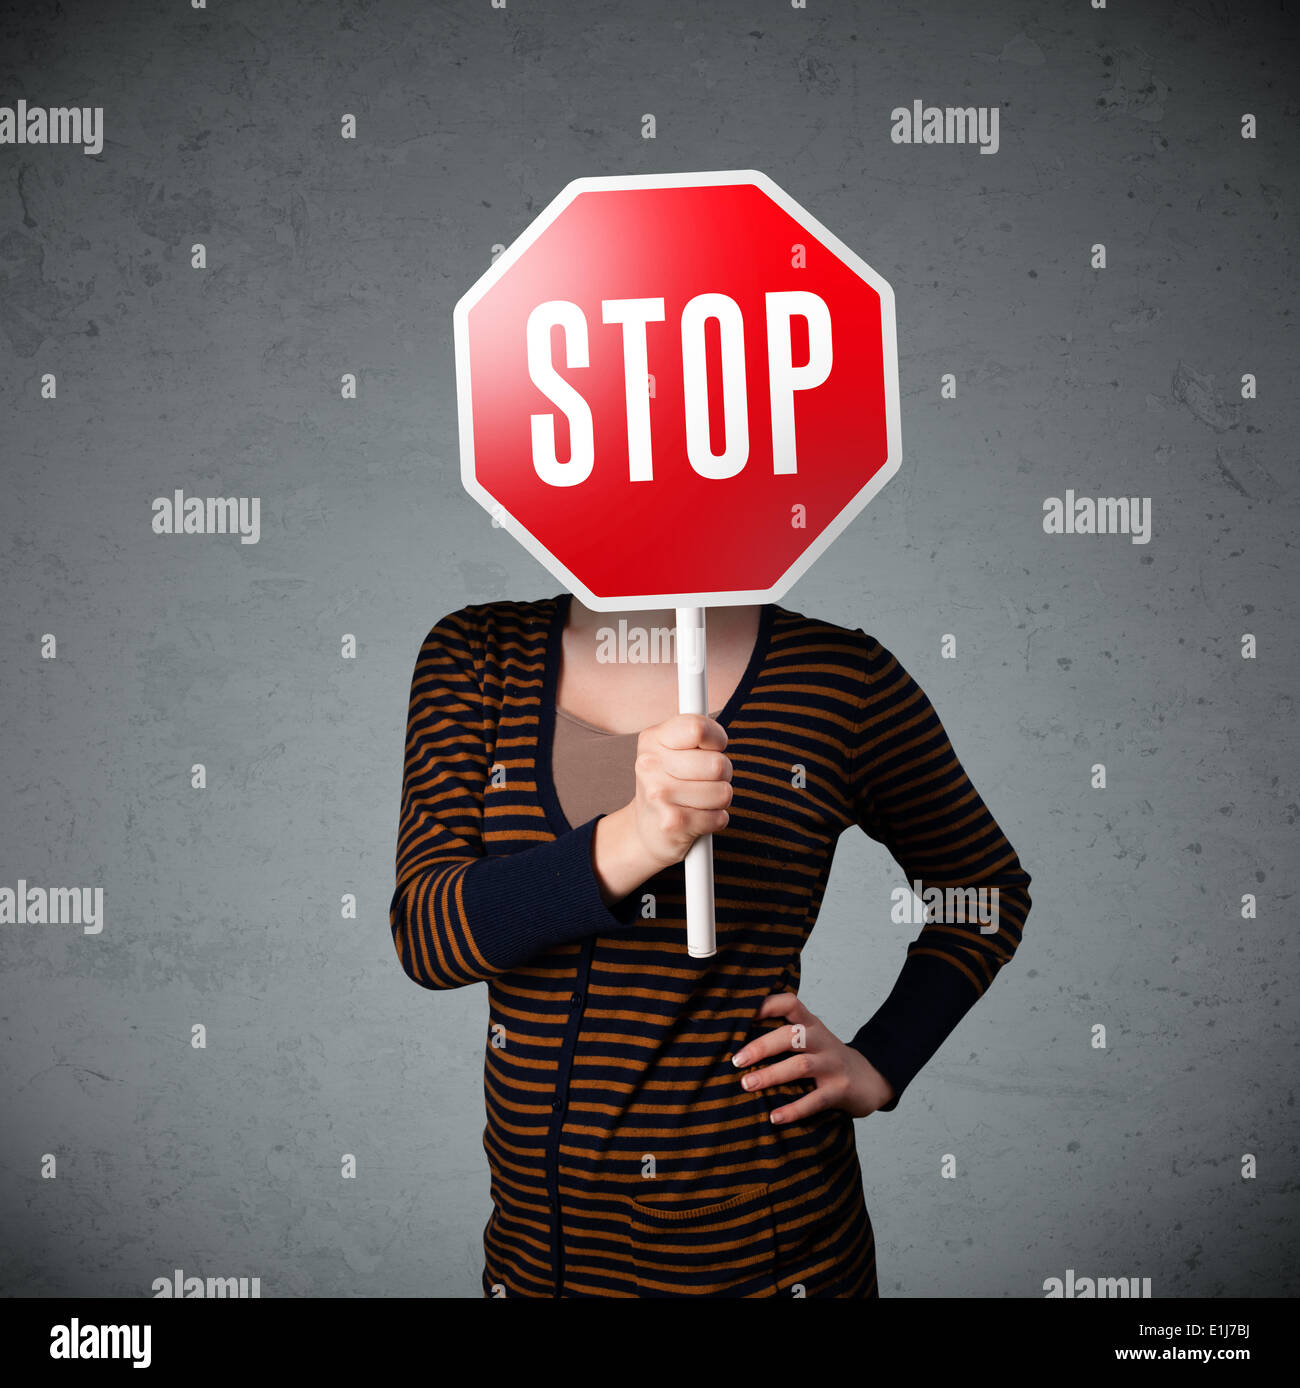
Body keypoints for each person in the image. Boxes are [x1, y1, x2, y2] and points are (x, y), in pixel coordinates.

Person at [389, 592, 1032, 1298]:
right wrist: (635, 838)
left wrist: (880, 1061)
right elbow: (427, 936)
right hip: (530, 1250)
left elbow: (980, 891)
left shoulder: (840, 677)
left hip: (761, 1243)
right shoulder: (480, 653)